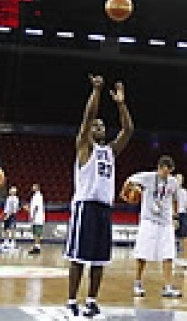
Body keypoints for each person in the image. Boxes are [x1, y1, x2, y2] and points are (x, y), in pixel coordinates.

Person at [64, 75, 134, 318]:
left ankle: (91, 301)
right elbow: (87, 118)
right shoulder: (84, 145)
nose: (99, 127)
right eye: (96, 125)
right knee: (78, 258)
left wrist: (121, 104)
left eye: (102, 126)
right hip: (86, 206)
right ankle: (71, 300)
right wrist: (96, 91)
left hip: (104, 208)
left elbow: (128, 130)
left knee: (99, 260)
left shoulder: (110, 151)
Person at [125, 155, 183, 298]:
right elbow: (129, 180)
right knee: (142, 253)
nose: (166, 174)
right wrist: (128, 192)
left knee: (169, 254)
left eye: (169, 171)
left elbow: (175, 199)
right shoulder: (147, 177)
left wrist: (175, 216)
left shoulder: (173, 182)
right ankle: (137, 283)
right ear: (158, 168)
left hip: (165, 222)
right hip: (148, 221)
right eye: (164, 171)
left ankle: (168, 287)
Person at [175, 173, 187, 258]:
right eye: (178, 179)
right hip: (173, 214)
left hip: (183, 214)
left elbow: (186, 205)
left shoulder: (185, 191)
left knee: (185, 236)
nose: (180, 181)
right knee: (170, 236)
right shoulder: (171, 190)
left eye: (181, 179)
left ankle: (186, 256)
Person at [1, 186, 21, 251]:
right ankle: (6, 242)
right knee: (6, 228)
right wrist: (3, 214)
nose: (10, 191)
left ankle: (13, 242)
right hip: (7, 214)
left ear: (14, 192)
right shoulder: (8, 198)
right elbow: (6, 207)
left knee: (13, 229)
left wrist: (8, 215)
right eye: (10, 190)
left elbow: (14, 209)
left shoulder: (15, 199)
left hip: (12, 215)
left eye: (11, 190)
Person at [27, 184, 45, 255]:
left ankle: (37, 247)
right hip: (35, 217)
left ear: (37, 188)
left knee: (37, 233)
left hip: (37, 217)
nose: (32, 187)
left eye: (34, 186)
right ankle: (36, 247)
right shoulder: (34, 196)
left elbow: (36, 207)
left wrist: (33, 216)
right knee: (35, 233)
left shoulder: (39, 196)